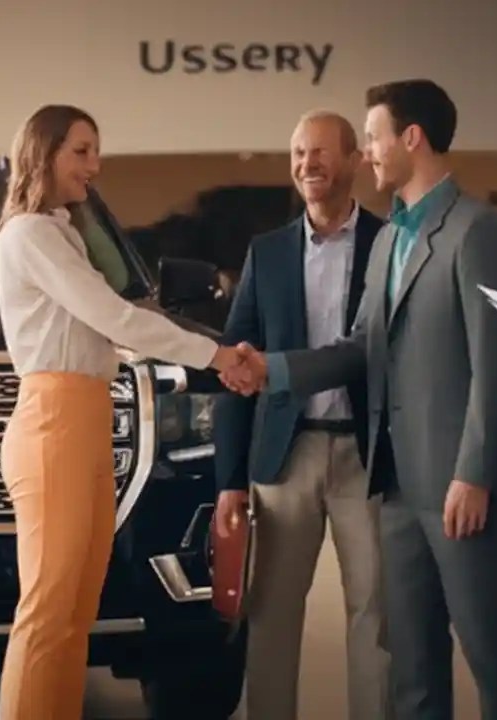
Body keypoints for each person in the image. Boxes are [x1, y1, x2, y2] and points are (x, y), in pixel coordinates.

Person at [222, 79, 497, 720]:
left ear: (411, 139)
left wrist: (474, 472)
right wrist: (271, 371)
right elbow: (359, 347)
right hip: (394, 487)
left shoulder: (479, 231)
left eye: (371, 138)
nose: (368, 153)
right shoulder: (392, 240)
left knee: (488, 649)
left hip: (457, 484)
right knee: (412, 664)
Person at [0, 104, 245, 720]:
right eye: (81, 151)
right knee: (49, 613)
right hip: (54, 424)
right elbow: (115, 317)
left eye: (94, 151)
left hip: (85, 419)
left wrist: (201, 350)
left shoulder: (62, 233)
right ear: (43, 152)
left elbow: (113, 333)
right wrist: (219, 355)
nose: (94, 166)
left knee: (75, 612)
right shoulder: (29, 234)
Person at [212, 109, 391, 719]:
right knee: (272, 617)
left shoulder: (388, 243)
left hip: (370, 458)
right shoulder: (268, 253)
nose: (306, 164)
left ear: (354, 160)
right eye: (296, 153)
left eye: (319, 152)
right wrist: (231, 479)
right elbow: (235, 368)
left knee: (375, 617)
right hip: (285, 458)